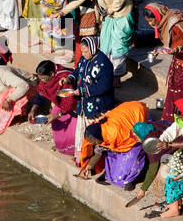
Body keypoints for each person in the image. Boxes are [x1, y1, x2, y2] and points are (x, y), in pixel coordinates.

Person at [59, 0, 134, 78]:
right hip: (109, 16)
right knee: (105, 46)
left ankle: (117, 76)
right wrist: (62, 12)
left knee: (118, 47)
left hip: (121, 14)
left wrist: (110, 10)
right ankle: (108, 73)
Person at [77, 100, 150, 187]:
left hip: (138, 111)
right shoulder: (99, 129)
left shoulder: (113, 134)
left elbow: (131, 141)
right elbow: (99, 150)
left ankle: (135, 177)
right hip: (128, 110)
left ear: (97, 138)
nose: (94, 144)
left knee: (131, 156)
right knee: (112, 154)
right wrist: (88, 167)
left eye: (94, 142)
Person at [75, 34, 116, 164]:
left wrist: (83, 91)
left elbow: (104, 86)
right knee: (82, 132)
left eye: (86, 51)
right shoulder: (84, 59)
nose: (84, 54)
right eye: (82, 51)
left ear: (92, 48)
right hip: (84, 104)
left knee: (94, 135)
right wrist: (69, 78)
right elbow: (78, 71)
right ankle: (81, 158)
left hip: (97, 106)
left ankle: (93, 162)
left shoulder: (104, 63)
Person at [34, 60, 79, 155]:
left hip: (76, 105)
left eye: (44, 79)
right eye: (40, 79)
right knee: (56, 122)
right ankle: (61, 145)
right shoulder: (46, 79)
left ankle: (73, 150)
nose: (42, 81)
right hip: (62, 104)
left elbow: (70, 102)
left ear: (52, 73)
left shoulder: (63, 79)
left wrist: (58, 115)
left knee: (72, 131)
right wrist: (34, 108)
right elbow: (41, 92)